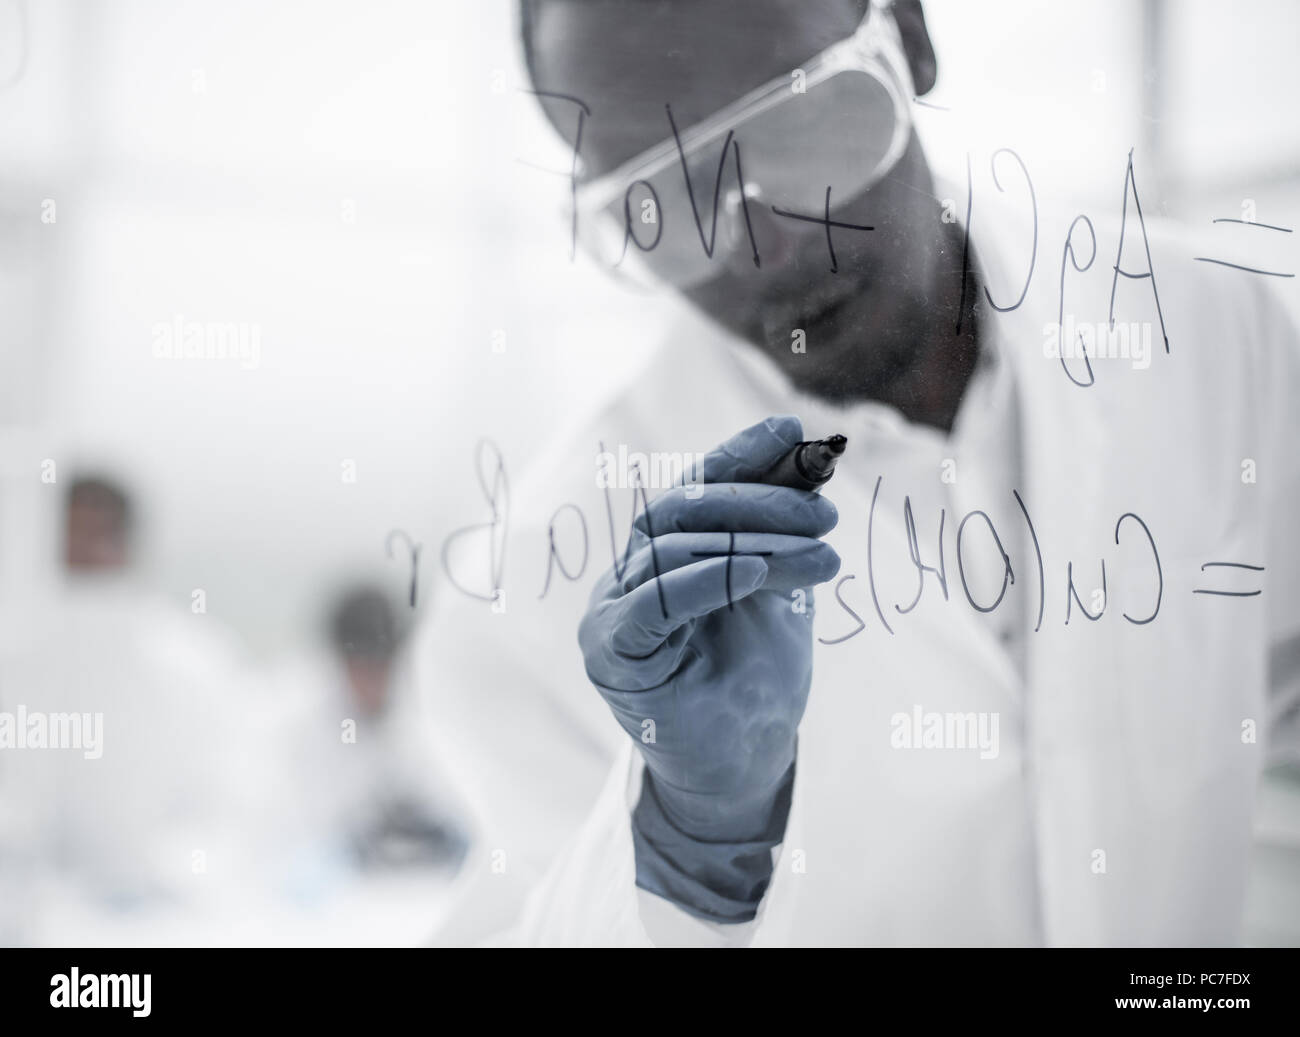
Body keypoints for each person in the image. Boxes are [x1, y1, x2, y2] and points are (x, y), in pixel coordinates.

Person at [416, 0, 1300, 945]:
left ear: (910, 41)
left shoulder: (1214, 330)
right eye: (664, 199)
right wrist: (690, 854)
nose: (770, 245)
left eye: (797, 123)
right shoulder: (528, 596)